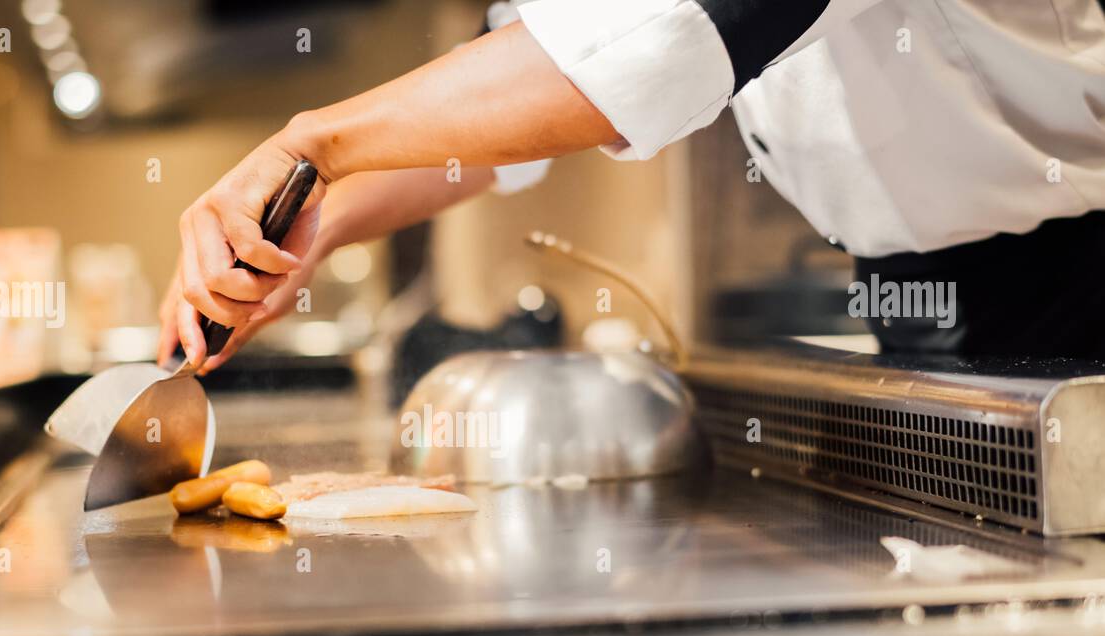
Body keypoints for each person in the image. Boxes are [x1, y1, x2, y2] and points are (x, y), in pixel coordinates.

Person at [157, 0, 1105, 374]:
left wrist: (317, 142)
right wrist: (320, 223)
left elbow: (642, 52)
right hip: (918, 317)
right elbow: (508, 116)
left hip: (1077, 303)